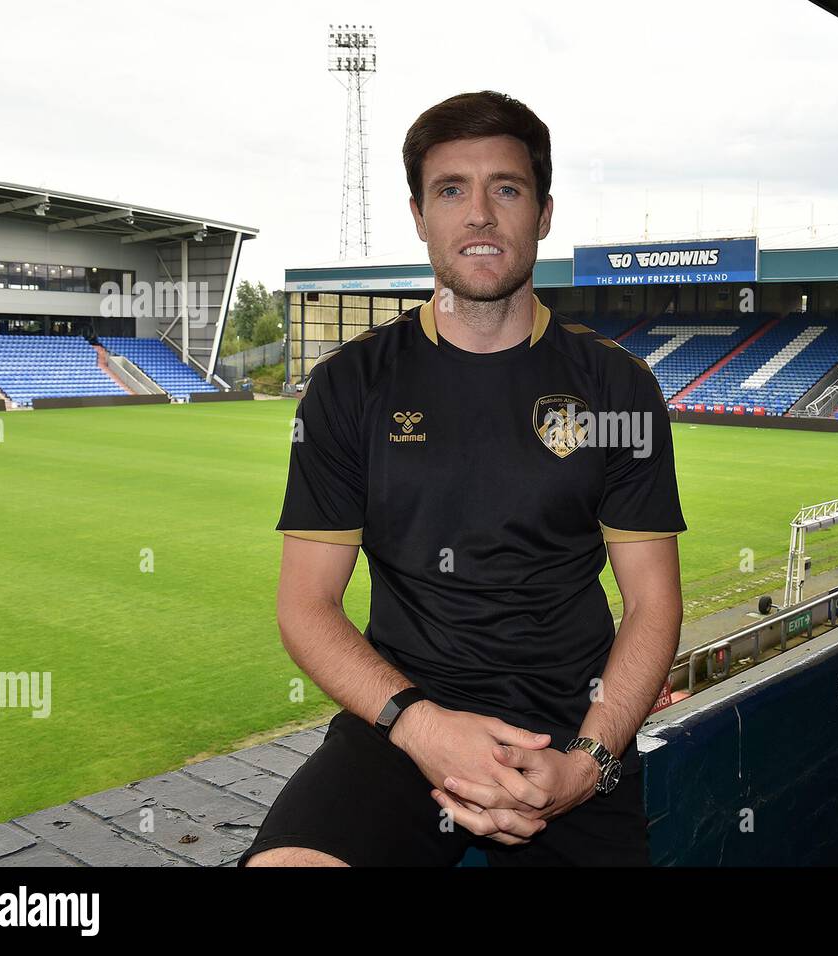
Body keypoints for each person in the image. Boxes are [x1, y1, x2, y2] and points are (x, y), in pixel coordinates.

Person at [240, 90, 686, 867]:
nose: (479, 214)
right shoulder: (351, 387)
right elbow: (304, 606)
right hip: (403, 726)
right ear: (420, 215)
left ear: (543, 212)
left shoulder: (617, 387)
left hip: (570, 731)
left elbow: (653, 602)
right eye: (452, 190)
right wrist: (421, 726)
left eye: (505, 188)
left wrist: (588, 764)